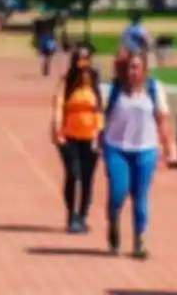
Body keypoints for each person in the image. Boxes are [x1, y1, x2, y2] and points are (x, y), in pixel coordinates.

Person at [100, 48, 172, 259]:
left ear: (144, 69)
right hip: (117, 148)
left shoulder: (154, 89)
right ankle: (113, 222)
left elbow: (162, 120)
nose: (133, 72)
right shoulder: (112, 90)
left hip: (145, 149)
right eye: (129, 67)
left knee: (140, 196)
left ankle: (140, 242)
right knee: (118, 192)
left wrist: (168, 147)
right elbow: (99, 116)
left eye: (137, 67)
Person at [50, 44, 103, 233]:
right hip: (69, 136)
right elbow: (58, 104)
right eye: (79, 58)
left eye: (86, 58)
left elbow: (101, 110)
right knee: (73, 174)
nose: (83, 63)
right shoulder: (68, 82)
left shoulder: (95, 82)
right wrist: (57, 129)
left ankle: (82, 214)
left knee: (88, 178)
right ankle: (71, 214)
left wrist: (101, 134)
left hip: (91, 137)